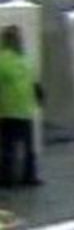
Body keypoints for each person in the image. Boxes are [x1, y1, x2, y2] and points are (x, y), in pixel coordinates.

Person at [0, 25, 43, 187]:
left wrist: (38, 97)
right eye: (16, 37)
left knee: (16, 147)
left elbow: (32, 81)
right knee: (13, 147)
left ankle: (19, 177)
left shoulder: (23, 59)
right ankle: (15, 177)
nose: (18, 40)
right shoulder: (13, 60)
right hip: (11, 110)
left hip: (19, 109)